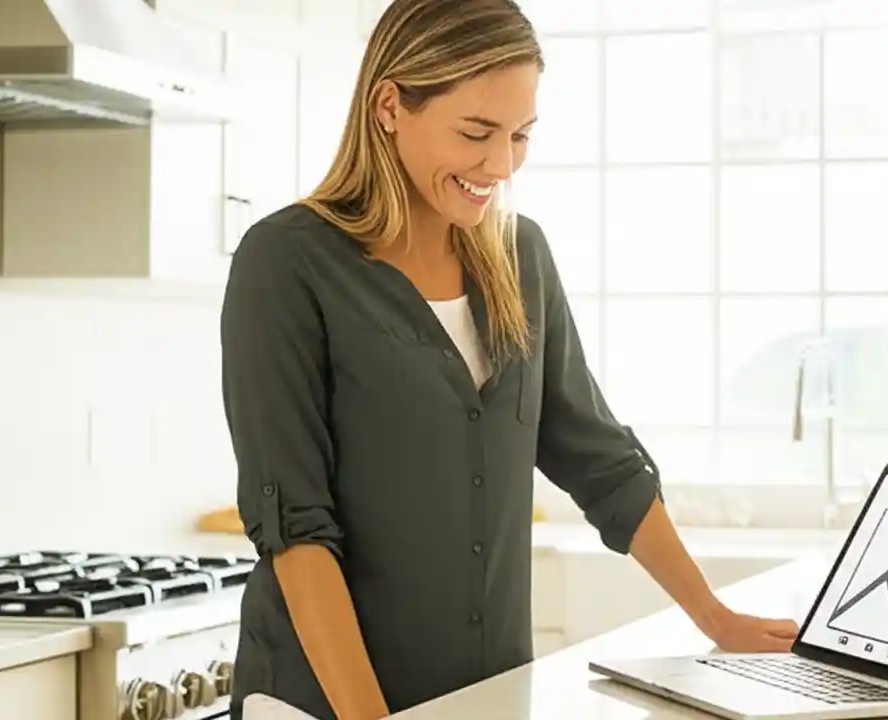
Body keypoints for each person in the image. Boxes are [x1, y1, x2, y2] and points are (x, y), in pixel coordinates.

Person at [219, 1, 801, 718]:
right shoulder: (287, 263)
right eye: (476, 132)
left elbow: (602, 462)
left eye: (520, 135)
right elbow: (295, 529)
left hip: (487, 698)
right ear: (389, 104)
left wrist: (717, 620)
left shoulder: (521, 258)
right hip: (319, 706)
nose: (499, 164)